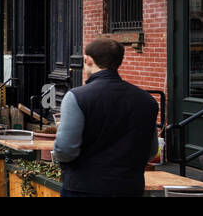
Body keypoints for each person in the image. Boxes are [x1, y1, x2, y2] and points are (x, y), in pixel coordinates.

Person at [53, 36, 159, 197]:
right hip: (130, 188)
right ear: (119, 62)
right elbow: (151, 151)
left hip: (84, 187)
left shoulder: (77, 97)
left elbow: (65, 150)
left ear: (88, 60)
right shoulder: (147, 100)